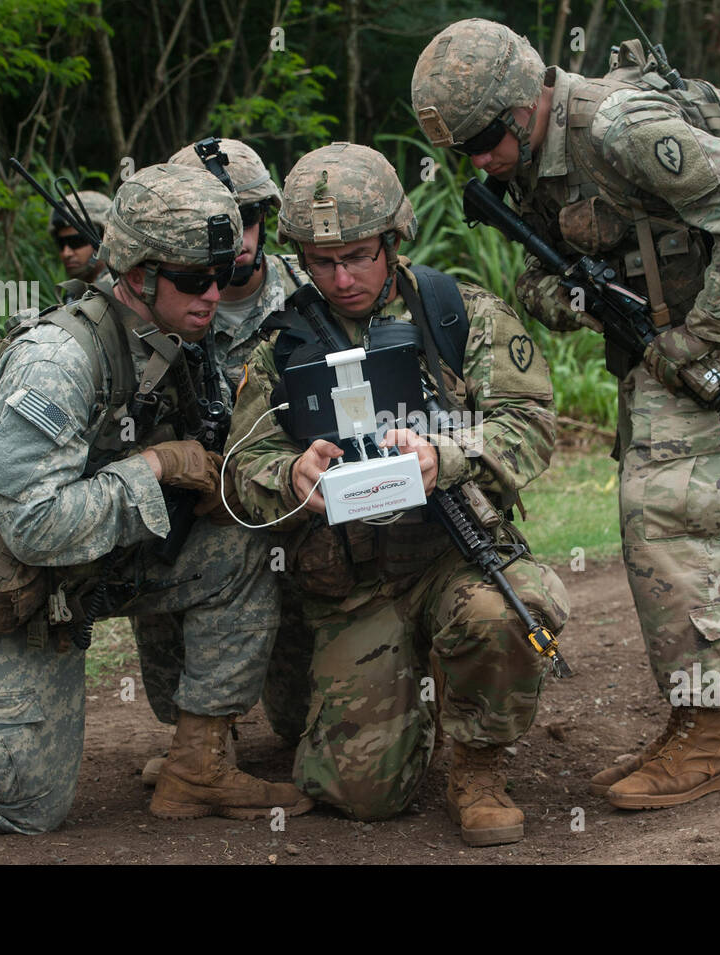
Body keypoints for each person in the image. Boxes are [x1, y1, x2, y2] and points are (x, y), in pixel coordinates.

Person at [0, 163, 311, 833]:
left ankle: (198, 766)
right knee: (25, 805)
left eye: (221, 276)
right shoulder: (58, 360)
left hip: (86, 565)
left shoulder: (179, 342)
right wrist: (156, 466)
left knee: (241, 542)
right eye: (193, 279)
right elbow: (33, 525)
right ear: (137, 274)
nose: (212, 294)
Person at [413, 20, 720, 811]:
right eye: (464, 151)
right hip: (653, 347)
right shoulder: (530, 158)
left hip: (708, 338)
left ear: (525, 104)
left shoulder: (619, 128)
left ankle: (714, 732)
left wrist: (699, 335)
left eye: (484, 139)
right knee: (649, 509)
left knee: (668, 511)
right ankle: (692, 718)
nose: (479, 161)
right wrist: (578, 297)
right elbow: (539, 276)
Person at [225, 142, 570, 846]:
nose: (341, 277)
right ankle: (403, 688)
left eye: (358, 256)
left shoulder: (458, 314)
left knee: (507, 611)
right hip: (350, 579)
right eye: (321, 261)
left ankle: (479, 767)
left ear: (392, 239)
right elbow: (242, 465)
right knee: (361, 796)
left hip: (450, 554)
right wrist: (291, 476)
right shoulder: (281, 346)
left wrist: (447, 455)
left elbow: (530, 423)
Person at [131, 138, 304, 788]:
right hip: (194, 522)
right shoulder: (142, 311)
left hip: (297, 518)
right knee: (164, 536)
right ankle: (200, 740)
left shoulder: (313, 291)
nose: (234, 238)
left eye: (247, 217)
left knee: (304, 726)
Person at [51, 189, 112, 287]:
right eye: (60, 243)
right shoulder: (78, 291)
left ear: (105, 239)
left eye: (76, 242)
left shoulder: (124, 289)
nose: (66, 253)